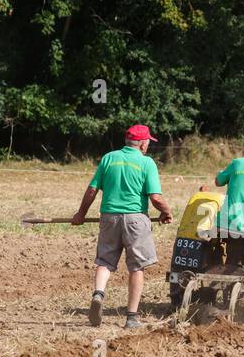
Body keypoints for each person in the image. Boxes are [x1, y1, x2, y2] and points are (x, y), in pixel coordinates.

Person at [71, 124, 172, 328]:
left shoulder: (109, 158)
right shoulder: (146, 163)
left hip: (108, 217)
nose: (147, 146)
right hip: (135, 219)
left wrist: (81, 214)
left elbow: (92, 189)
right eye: (147, 143)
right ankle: (132, 317)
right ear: (143, 143)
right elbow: (155, 197)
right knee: (136, 267)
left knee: (104, 261)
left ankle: (98, 294)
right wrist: (166, 212)